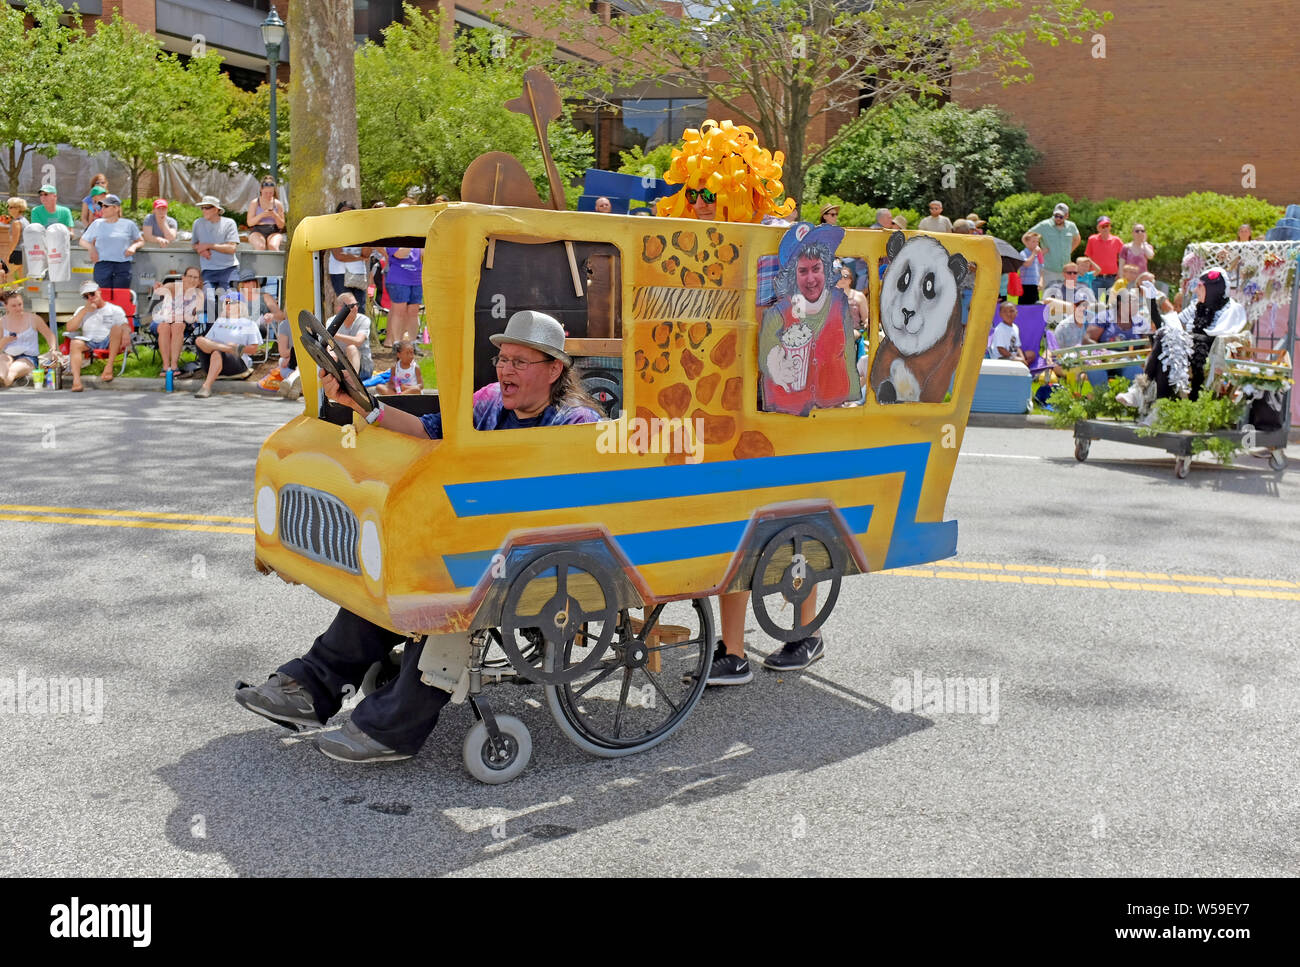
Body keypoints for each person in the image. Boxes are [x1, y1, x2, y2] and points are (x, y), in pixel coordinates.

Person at [234, 310, 602, 762]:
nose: (504, 369)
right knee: (393, 578)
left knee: (442, 596)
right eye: (502, 358)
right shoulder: (488, 402)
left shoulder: (577, 425)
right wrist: (361, 405)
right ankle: (311, 687)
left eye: (519, 362)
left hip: (534, 558)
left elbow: (566, 506)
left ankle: (388, 729)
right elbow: (426, 433)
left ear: (553, 370)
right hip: (472, 542)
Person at [192, 295, 262, 399]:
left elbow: (253, 350)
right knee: (199, 340)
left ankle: (206, 387)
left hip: (236, 363)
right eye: (226, 303)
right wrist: (228, 348)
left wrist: (238, 347)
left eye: (230, 303)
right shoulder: (219, 321)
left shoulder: (249, 324)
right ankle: (227, 349)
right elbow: (207, 342)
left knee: (217, 352)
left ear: (240, 305)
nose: (227, 306)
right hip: (214, 359)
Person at [66, 281, 130, 391]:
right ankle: (76, 381)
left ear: (99, 291)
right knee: (75, 343)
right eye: (86, 296)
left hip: (108, 340)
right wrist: (85, 311)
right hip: (89, 341)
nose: (90, 298)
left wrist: (126, 333)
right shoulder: (82, 310)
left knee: (116, 328)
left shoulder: (114, 309)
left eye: (92, 293)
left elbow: (125, 325)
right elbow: (69, 328)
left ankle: (108, 367)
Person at [79, 194, 142, 290]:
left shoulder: (129, 224)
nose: (102, 209)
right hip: (102, 265)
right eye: (101, 206)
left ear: (116, 208)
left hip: (123, 266)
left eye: (106, 206)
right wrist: (91, 248)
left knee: (120, 297)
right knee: (102, 297)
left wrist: (133, 247)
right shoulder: (97, 223)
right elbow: (83, 241)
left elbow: (140, 241)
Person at [152, 266, 203, 378]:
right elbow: (161, 290)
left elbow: (197, 317)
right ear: (183, 278)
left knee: (178, 325)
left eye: (195, 277)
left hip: (183, 324)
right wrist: (158, 288)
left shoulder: (199, 295)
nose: (192, 280)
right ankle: (166, 366)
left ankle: (174, 366)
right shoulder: (173, 287)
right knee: (164, 326)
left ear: (199, 281)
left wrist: (183, 317)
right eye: (189, 276)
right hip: (162, 319)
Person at [0, 288, 55, 387]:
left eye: (20, 304)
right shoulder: (2, 322)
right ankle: (2, 379)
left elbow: (49, 335)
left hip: (28, 357)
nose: (18, 308)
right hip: (8, 354)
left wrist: (53, 349)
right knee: (2, 365)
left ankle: (5, 382)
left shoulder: (34, 319)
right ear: (6, 306)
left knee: (13, 369)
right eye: (13, 306)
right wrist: (5, 340)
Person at [24, 184, 75, 281]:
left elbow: (71, 233)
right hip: (42, 251)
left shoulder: (65, 211)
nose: (43, 197)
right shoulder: (36, 211)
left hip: (60, 252)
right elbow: (36, 233)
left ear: (54, 196)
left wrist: (60, 234)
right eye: (41, 195)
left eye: (46, 194)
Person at [191, 194, 240, 294]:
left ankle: (228, 308)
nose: (204, 210)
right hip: (208, 270)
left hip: (229, 269)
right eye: (202, 207)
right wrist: (201, 250)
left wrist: (209, 245)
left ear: (216, 209)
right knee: (209, 301)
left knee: (230, 301)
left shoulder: (229, 223)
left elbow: (232, 248)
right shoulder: (197, 223)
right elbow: (194, 244)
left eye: (207, 207)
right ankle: (211, 309)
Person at [384, 232, 423, 350]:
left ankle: (412, 343)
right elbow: (400, 253)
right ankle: (397, 342)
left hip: (416, 279)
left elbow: (424, 253)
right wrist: (412, 241)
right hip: (398, 279)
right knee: (399, 312)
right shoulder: (393, 238)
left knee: (413, 312)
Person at [1030, 203, 1081, 287]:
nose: (1057, 219)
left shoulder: (1071, 226)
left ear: (1067, 216)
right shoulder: (1044, 225)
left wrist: (1069, 251)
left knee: (1069, 296)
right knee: (1051, 296)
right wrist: (1038, 251)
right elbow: (1027, 237)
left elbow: (1077, 239)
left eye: (1061, 216)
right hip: (1050, 270)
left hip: (1068, 270)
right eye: (1056, 216)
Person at [327, 201, 368, 304]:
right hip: (340, 274)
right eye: (342, 212)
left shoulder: (361, 230)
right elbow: (339, 256)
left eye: (349, 212)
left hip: (359, 273)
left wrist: (368, 236)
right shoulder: (333, 230)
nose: (346, 215)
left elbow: (366, 253)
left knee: (360, 309)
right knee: (348, 307)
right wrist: (359, 258)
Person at [330, 291, 373, 380]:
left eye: (356, 304)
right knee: (329, 352)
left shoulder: (364, 320)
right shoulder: (331, 321)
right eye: (351, 306)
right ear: (340, 308)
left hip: (364, 368)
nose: (355, 308)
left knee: (351, 348)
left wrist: (333, 334)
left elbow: (358, 341)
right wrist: (331, 353)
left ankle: (354, 381)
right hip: (341, 364)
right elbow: (328, 343)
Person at [1084, 215, 1123, 295]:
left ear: (1110, 227)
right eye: (1102, 226)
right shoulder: (1092, 239)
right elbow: (1088, 258)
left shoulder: (1116, 240)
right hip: (1095, 278)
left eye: (1107, 226)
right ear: (1098, 228)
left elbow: (1123, 257)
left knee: (1112, 304)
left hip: (1112, 278)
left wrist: (1120, 272)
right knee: (1095, 304)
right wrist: (1087, 275)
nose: (1105, 228)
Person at [246, 177, 286, 251]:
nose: (268, 195)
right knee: (260, 246)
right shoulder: (255, 203)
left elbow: (281, 225)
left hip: (274, 230)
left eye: (271, 193)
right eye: (266, 193)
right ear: (261, 190)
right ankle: (260, 262)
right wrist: (262, 215)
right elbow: (250, 223)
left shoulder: (277, 204)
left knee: (273, 246)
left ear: (274, 191)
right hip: (257, 230)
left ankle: (275, 262)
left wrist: (275, 215)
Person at [0, 198, 27, 282]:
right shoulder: (24, 220)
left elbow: (14, 241)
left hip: (17, 252)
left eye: (11, 207)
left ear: (18, 208)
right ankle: (21, 293)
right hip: (24, 252)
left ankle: (14, 292)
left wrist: (7, 255)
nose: (8, 209)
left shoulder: (16, 222)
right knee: (21, 278)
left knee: (5, 275)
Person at [836, 265, 869, 329]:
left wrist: (867, 323)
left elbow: (865, 318)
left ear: (850, 279)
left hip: (853, 331)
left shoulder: (859, 296)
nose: (842, 279)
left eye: (846, 276)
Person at [1018, 231, 1045, 304]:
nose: (1036, 244)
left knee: (1034, 305)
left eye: (1037, 242)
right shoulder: (1023, 253)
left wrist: (1041, 281)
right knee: (1024, 305)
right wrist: (1034, 254)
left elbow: (1041, 268)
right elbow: (1026, 264)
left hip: (1034, 284)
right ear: (1027, 242)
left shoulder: (1039, 254)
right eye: (1033, 241)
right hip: (1025, 285)